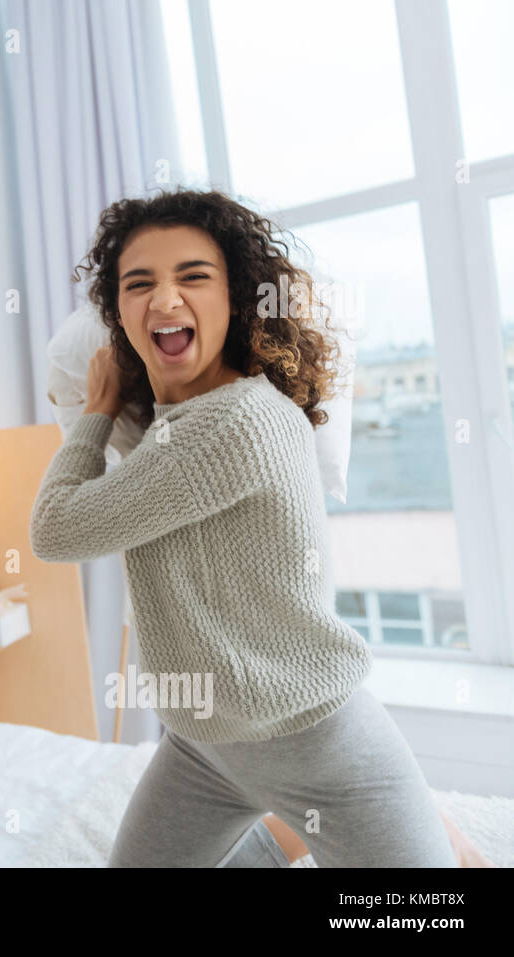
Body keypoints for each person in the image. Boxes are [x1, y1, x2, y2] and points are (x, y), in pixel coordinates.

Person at [30, 188, 486, 867]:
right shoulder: (166, 429)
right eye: (139, 283)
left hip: (317, 744)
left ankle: (431, 829)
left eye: (193, 276)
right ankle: (286, 833)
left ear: (237, 297)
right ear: (118, 311)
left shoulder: (238, 421)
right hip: (203, 747)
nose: (164, 299)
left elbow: (55, 528)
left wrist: (96, 409)